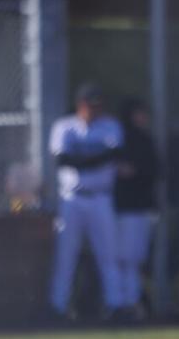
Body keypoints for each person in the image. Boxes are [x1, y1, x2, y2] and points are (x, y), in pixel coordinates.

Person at [48, 83, 124, 319]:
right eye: (91, 105)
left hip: (101, 198)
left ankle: (116, 305)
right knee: (65, 255)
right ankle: (57, 307)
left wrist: (80, 160)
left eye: (98, 105)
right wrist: (95, 159)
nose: (95, 109)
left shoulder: (110, 125)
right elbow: (61, 160)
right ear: (80, 105)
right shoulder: (65, 126)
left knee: (108, 255)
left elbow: (113, 154)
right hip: (72, 199)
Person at [114, 99, 161, 315]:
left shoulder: (144, 141)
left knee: (132, 259)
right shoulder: (118, 139)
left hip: (139, 209)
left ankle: (131, 302)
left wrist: (135, 171)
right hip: (120, 209)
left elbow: (156, 170)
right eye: (140, 113)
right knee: (123, 259)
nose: (143, 117)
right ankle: (123, 302)